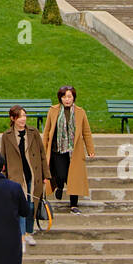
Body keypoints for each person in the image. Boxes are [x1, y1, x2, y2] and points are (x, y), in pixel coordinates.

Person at [2, 105, 50, 247]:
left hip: (33, 175)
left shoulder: (33, 132)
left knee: (31, 205)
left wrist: (46, 174)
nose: (23, 119)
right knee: (20, 206)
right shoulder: (7, 136)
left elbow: (42, 154)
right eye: (20, 116)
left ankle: (29, 232)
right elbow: (3, 157)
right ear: (13, 118)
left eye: (24, 116)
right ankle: (21, 234)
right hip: (16, 177)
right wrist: (3, 177)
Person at [43, 85, 95, 214]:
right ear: (60, 98)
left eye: (69, 97)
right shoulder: (53, 110)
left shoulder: (80, 112)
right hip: (57, 149)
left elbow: (86, 132)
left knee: (74, 178)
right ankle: (59, 186)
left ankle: (73, 204)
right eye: (64, 97)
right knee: (61, 174)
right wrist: (43, 149)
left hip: (73, 151)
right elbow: (47, 131)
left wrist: (90, 149)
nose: (67, 99)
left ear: (73, 98)